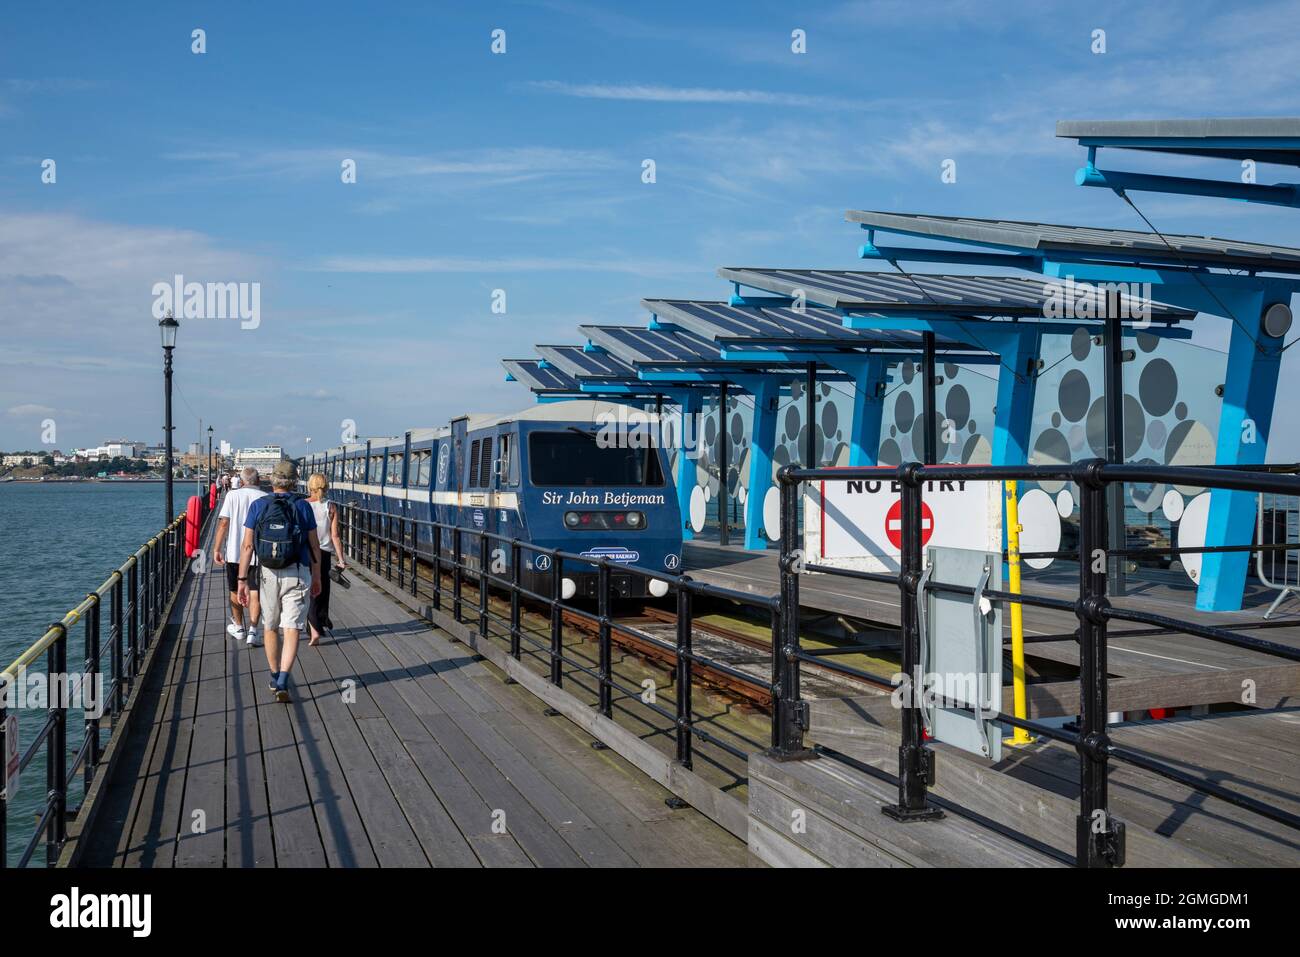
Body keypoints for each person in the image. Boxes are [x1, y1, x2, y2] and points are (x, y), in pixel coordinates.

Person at [237, 461, 321, 703]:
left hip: (267, 573)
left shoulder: (258, 506)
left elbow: (247, 546)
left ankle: (274, 675)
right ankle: (284, 677)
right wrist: (316, 577)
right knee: (292, 626)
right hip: (297, 570)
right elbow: (314, 545)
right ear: (295, 482)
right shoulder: (303, 507)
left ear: (272, 481)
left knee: (270, 625)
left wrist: (242, 580)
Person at [213, 467, 267, 645]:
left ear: (241, 481)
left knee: (234, 589)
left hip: (234, 552)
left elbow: (223, 523)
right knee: (255, 591)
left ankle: (238, 627)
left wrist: (217, 549)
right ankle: (253, 629)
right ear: (258, 480)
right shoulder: (265, 498)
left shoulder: (232, 496)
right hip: (257, 552)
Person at [305, 472, 345, 646]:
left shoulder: (303, 505)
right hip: (325, 553)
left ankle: (313, 624)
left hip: (306, 552)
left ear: (310, 486)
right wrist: (341, 558)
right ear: (326, 487)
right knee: (322, 589)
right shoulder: (331, 507)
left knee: (309, 588)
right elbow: (334, 535)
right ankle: (319, 623)